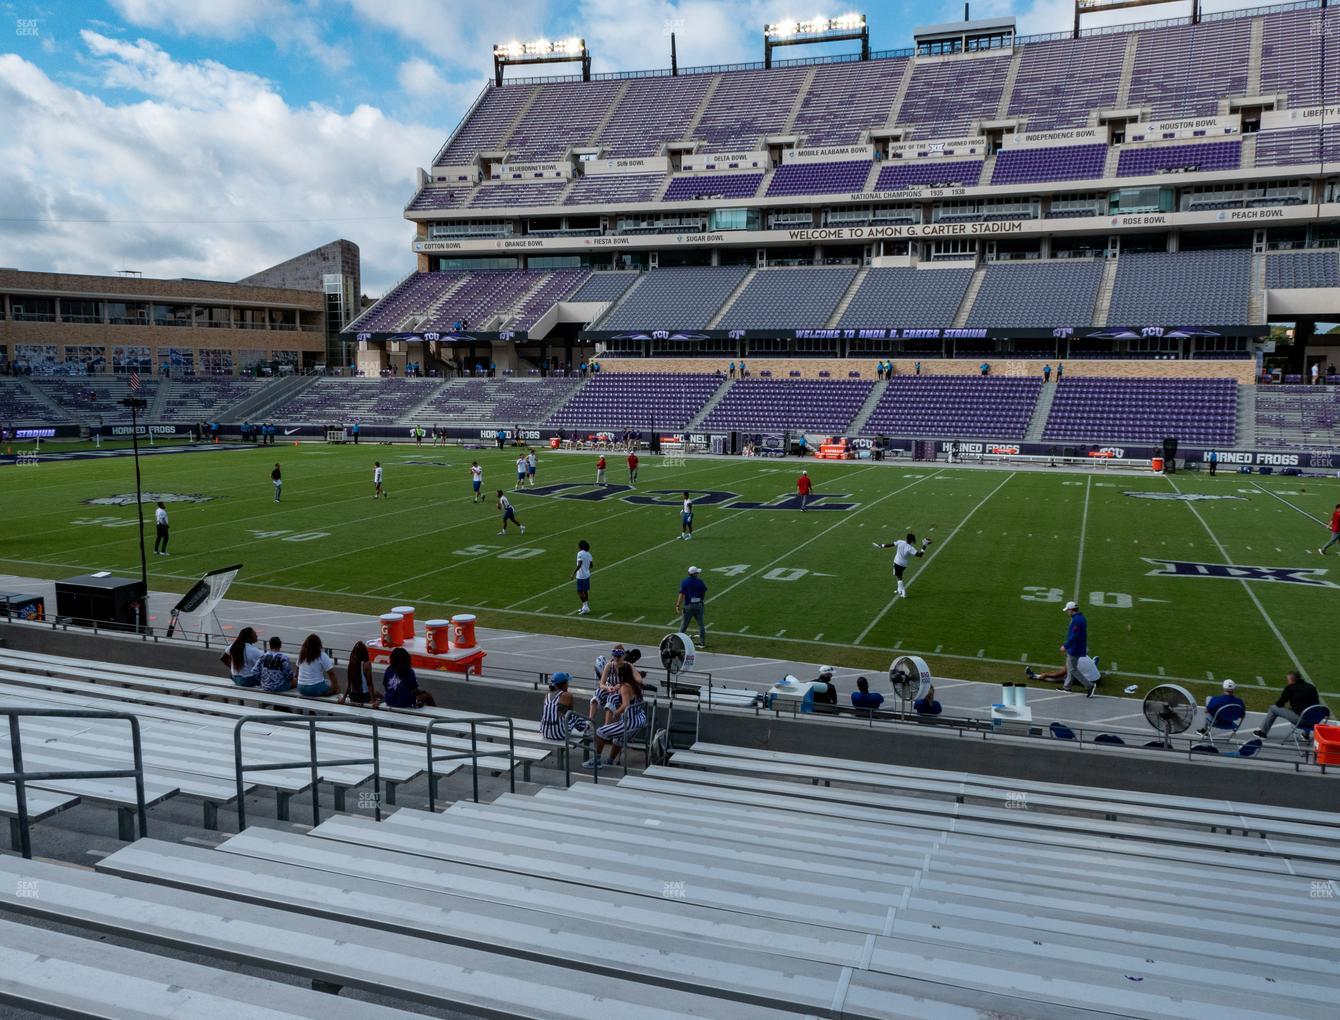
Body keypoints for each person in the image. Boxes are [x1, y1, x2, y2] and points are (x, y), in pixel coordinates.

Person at [1025, 600, 1097, 697]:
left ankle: (1089, 686)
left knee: (1072, 670)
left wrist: (1066, 646)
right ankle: (1067, 687)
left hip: (1075, 648)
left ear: (1072, 610)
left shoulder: (1077, 620)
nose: (1067, 612)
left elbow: (1074, 636)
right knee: (1072, 669)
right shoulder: (1081, 618)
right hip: (1078, 647)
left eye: (1068, 610)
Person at [586, 663, 648, 769]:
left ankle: (597, 760)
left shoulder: (625, 687)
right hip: (640, 719)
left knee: (600, 732)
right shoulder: (635, 683)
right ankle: (609, 761)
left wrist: (616, 713)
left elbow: (626, 705)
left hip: (630, 722)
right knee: (619, 739)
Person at [1252, 670, 1320, 740]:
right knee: (1308, 711)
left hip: (1301, 720)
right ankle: (1306, 735)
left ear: (1291, 680)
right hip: (1315, 720)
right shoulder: (1312, 687)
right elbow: (1316, 704)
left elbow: (1279, 704)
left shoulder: (1290, 688)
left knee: (1273, 708)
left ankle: (1262, 733)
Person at [872, 532, 932, 600]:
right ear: (912, 541)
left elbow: (890, 545)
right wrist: (924, 546)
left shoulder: (900, 542)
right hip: (903, 565)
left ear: (906, 538)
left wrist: (881, 545)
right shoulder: (910, 548)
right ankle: (899, 589)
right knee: (898, 576)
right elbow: (920, 554)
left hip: (897, 562)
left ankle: (903, 592)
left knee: (899, 577)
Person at [540, 673, 590, 742]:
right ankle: (587, 727)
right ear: (564, 684)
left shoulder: (547, 695)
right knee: (573, 715)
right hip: (559, 734)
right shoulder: (567, 695)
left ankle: (585, 726)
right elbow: (570, 713)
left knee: (566, 715)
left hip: (545, 732)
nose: (568, 684)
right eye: (567, 682)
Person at [295, 633, 339, 698]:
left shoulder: (301, 655)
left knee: (325, 682)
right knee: (329, 683)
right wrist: (336, 688)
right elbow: (331, 673)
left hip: (301, 688)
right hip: (314, 689)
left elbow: (297, 671)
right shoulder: (322, 656)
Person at [676, 565, 707, 647]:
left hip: (689, 606)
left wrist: (678, 605)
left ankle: (677, 642)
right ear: (695, 574)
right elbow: (703, 592)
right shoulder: (700, 582)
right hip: (699, 605)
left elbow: (681, 594)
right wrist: (701, 601)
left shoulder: (685, 582)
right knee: (701, 625)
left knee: (684, 625)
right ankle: (702, 643)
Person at [341, 640, 378, 706]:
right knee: (378, 694)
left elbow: (349, 685)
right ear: (365, 652)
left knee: (376, 693)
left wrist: (343, 698)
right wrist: (373, 700)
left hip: (353, 696)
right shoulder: (366, 664)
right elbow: (370, 683)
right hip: (364, 697)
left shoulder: (351, 664)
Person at [573, 539, 593, 615]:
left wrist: (573, 573)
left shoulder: (580, 553)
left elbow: (579, 564)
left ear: (581, 546)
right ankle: (585, 607)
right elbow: (591, 566)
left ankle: (585, 607)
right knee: (585, 591)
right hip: (587, 575)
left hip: (581, 575)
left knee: (579, 591)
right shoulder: (589, 554)